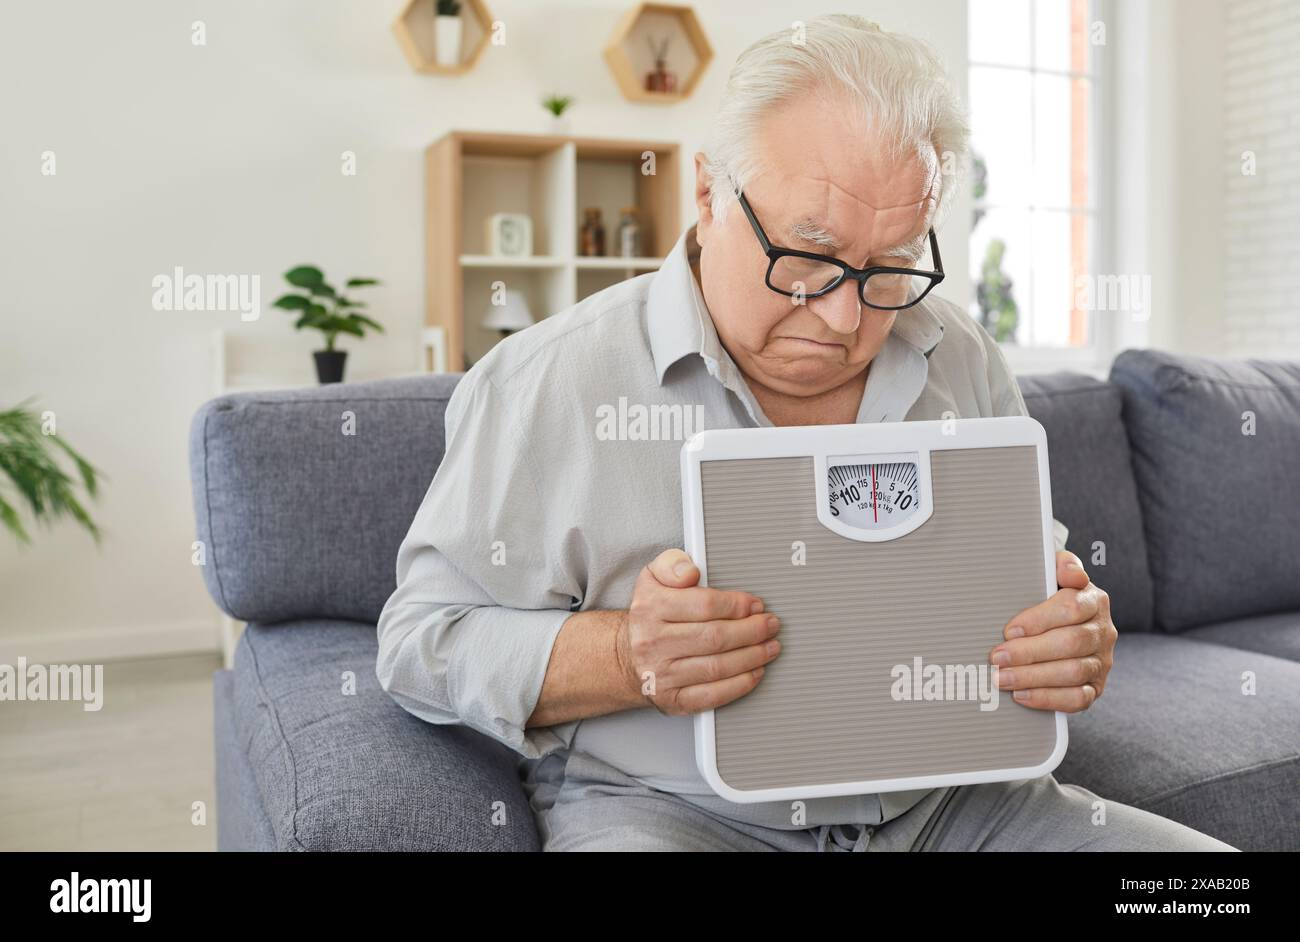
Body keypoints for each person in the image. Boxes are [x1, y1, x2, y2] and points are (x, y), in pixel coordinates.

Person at [376, 14, 1235, 851]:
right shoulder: (548, 381)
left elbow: (1029, 585)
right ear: (709, 193)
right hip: (670, 815)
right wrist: (623, 655)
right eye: (810, 256)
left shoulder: (957, 353)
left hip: (960, 809)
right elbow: (419, 641)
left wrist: (1072, 634)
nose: (842, 317)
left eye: (892, 265)